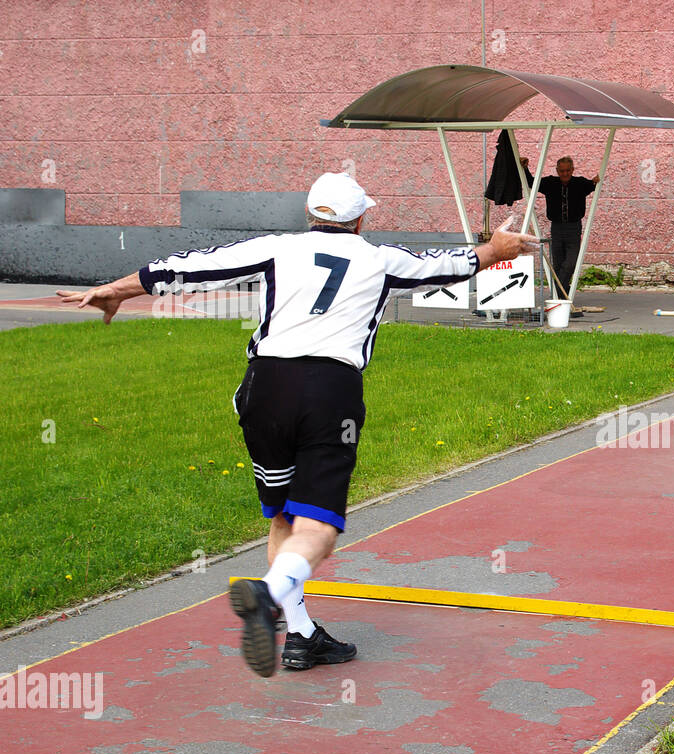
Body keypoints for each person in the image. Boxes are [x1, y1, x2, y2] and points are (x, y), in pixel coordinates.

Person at [57, 172, 538, 678]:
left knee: (283, 514)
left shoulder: (275, 248)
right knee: (319, 527)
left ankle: (301, 635)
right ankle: (266, 596)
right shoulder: (380, 258)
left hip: (264, 388)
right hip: (329, 390)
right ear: (359, 221)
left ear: (309, 214)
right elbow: (454, 265)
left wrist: (117, 289)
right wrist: (496, 246)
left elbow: (191, 267)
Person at [524, 156, 599, 309]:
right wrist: (524, 168)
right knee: (558, 264)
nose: (565, 174)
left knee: (570, 263)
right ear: (557, 171)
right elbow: (532, 183)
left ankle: (558, 294)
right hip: (556, 228)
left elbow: (594, 183)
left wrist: (598, 179)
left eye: (567, 171)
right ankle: (562, 298)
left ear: (572, 170)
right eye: (562, 171)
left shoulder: (580, 183)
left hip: (574, 228)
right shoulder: (550, 183)